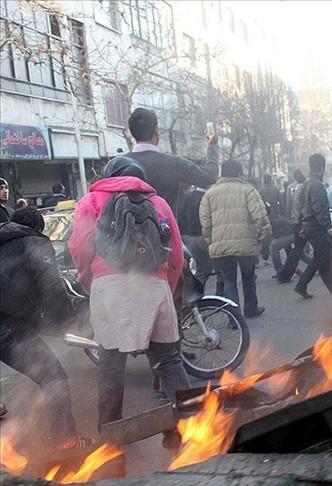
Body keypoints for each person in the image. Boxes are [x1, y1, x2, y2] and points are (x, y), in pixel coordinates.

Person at [68, 156, 190, 430]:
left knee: (110, 364)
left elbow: (79, 248)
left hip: (108, 288)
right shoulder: (158, 203)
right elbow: (177, 254)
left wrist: (89, 282)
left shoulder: (91, 201)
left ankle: (111, 433)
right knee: (168, 360)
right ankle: (191, 426)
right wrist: (166, 287)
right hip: (154, 284)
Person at [0, 207, 91, 449]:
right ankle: (66, 442)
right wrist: (67, 321)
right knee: (54, 378)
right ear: (38, 227)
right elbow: (51, 285)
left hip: (10, 325)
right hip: (9, 329)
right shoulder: (34, 242)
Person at [199, 160, 271, 318]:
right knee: (248, 277)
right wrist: (263, 234)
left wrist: (210, 240)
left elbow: (205, 222)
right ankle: (251, 309)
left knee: (229, 280)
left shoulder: (209, 194)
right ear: (239, 173)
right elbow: (260, 216)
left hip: (221, 246)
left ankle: (234, 317)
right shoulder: (248, 190)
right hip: (246, 244)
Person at [124, 108, 218, 212]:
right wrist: (212, 147)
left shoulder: (117, 165)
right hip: (165, 226)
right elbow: (209, 175)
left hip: (127, 227)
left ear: (132, 133)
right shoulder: (172, 163)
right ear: (155, 131)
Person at [294, 154, 332, 299]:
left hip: (309, 225)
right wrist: (328, 227)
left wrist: (302, 224)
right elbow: (319, 208)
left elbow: (299, 205)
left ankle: (331, 285)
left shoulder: (306, 184)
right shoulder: (317, 185)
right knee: (320, 256)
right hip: (316, 226)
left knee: (323, 255)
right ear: (322, 167)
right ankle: (302, 285)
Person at [177, 184, 213, 284]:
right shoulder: (208, 197)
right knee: (216, 269)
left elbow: (181, 215)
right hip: (205, 236)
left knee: (199, 268)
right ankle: (218, 294)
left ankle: (197, 292)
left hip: (190, 236)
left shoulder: (188, 197)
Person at [276, 169, 307, 284]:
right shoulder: (306, 186)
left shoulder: (290, 187)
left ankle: (286, 274)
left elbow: (289, 204)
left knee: (298, 249)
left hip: (296, 219)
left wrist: (290, 217)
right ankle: (286, 274)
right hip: (305, 219)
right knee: (299, 249)